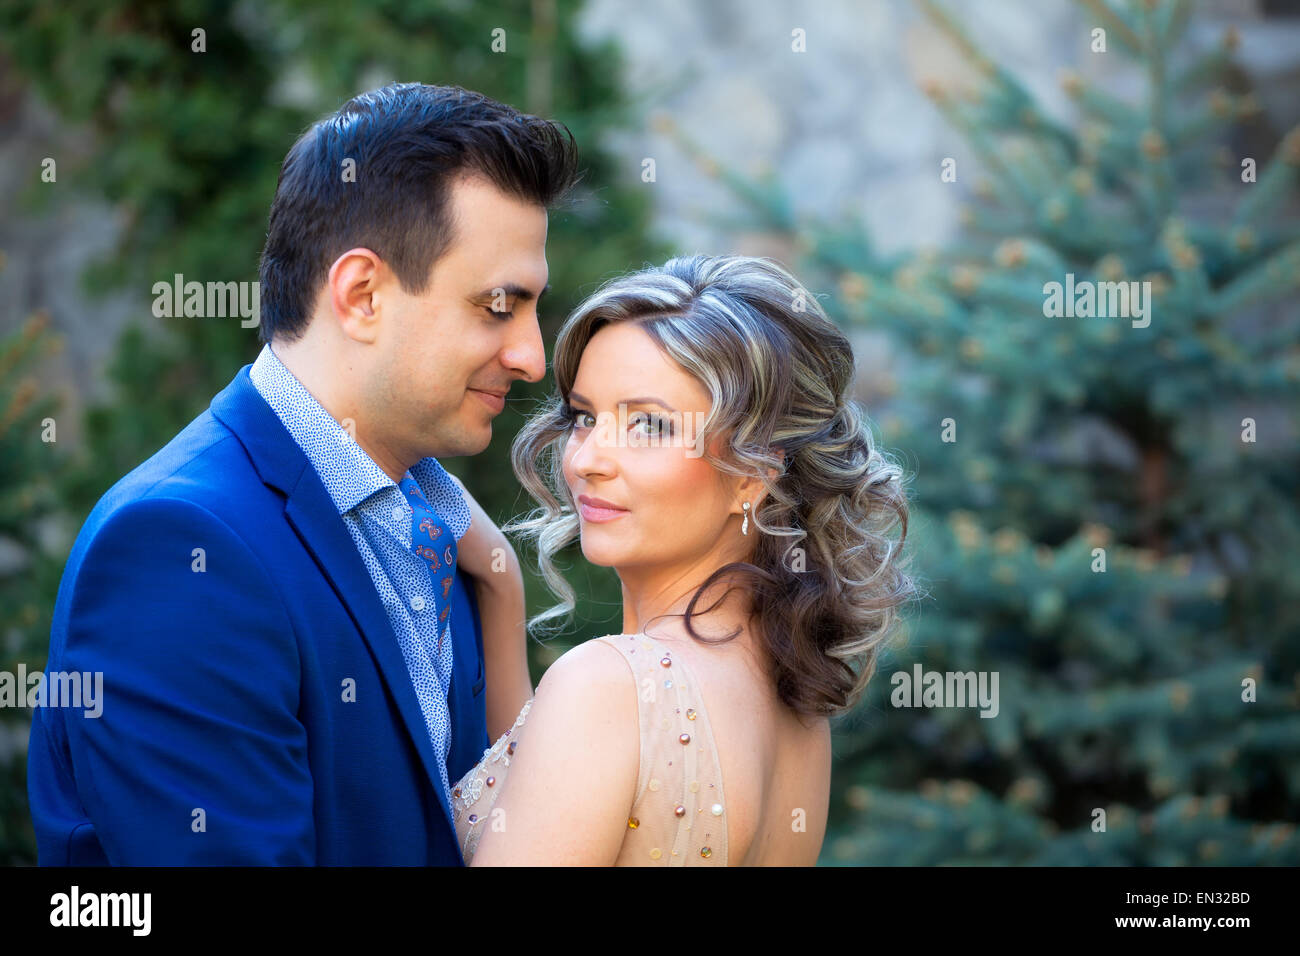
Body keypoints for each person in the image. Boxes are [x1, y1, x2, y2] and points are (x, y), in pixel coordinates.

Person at [27, 82, 579, 865]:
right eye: (498, 307)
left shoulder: (437, 525)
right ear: (360, 296)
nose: (530, 356)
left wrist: (497, 580)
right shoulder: (180, 548)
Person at [450, 254, 915, 865]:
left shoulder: (609, 688)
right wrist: (501, 588)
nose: (587, 459)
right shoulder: (794, 709)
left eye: (649, 425)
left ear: (752, 475)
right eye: (586, 417)